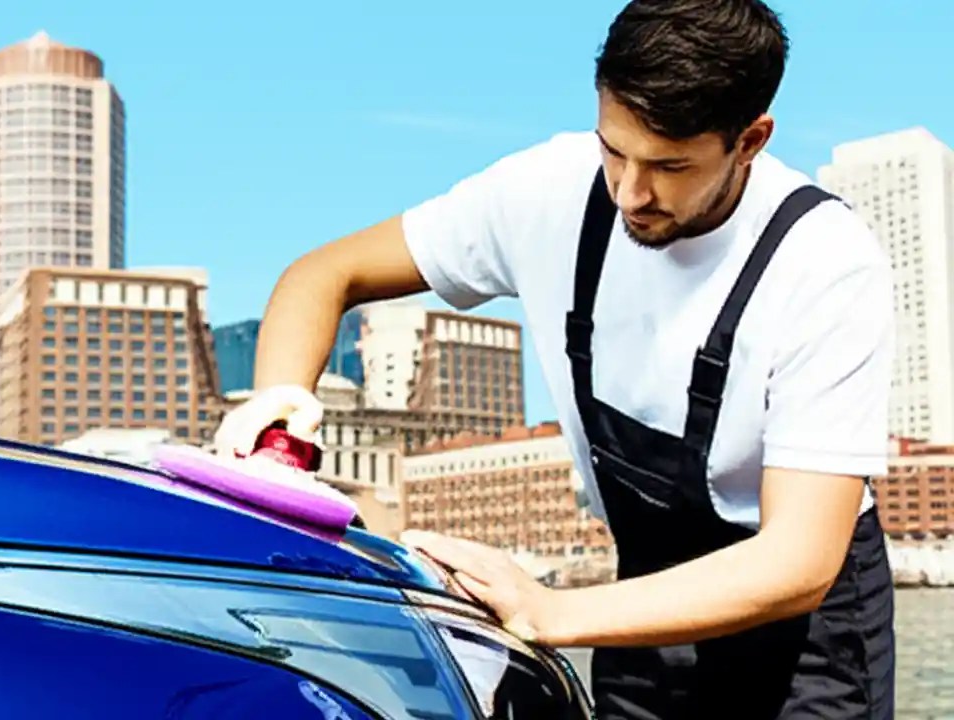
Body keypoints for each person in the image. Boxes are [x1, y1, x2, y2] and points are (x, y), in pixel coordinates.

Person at [213, 0, 898, 717]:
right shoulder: (548, 191)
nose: (631, 192)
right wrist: (279, 403)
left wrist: (548, 612)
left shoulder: (824, 261)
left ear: (750, 140)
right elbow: (323, 275)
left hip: (804, 640)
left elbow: (799, 561)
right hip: (640, 604)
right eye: (614, 149)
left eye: (669, 165)